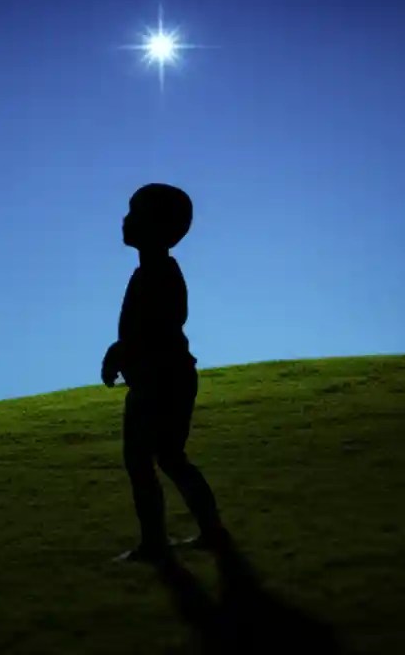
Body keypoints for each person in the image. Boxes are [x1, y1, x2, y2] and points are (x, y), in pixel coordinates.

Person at [102, 183, 231, 563]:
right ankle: (204, 533)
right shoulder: (150, 271)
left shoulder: (158, 273)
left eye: (134, 213)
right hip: (162, 378)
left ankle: (158, 543)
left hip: (162, 381)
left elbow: (158, 327)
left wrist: (119, 352)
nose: (125, 220)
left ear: (156, 225)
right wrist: (120, 353)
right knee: (167, 458)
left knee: (146, 460)